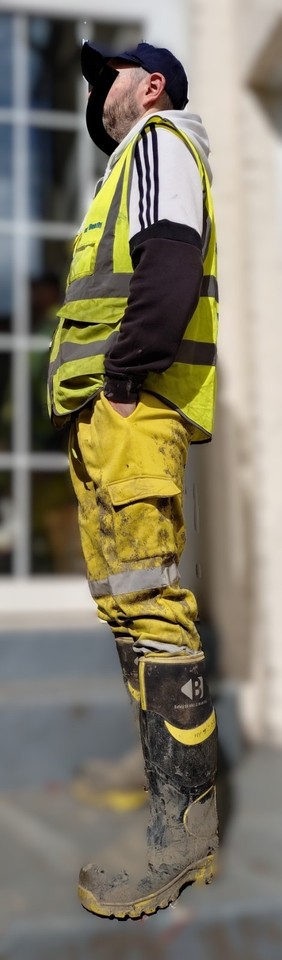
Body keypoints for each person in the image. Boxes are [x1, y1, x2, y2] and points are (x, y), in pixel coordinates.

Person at [47, 40, 219, 920]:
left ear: (150, 86)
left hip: (131, 408)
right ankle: (165, 790)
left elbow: (171, 260)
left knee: (152, 607)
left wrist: (121, 378)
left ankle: (183, 838)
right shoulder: (128, 166)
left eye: (106, 73)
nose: (94, 86)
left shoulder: (157, 144)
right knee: (130, 604)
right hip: (112, 415)